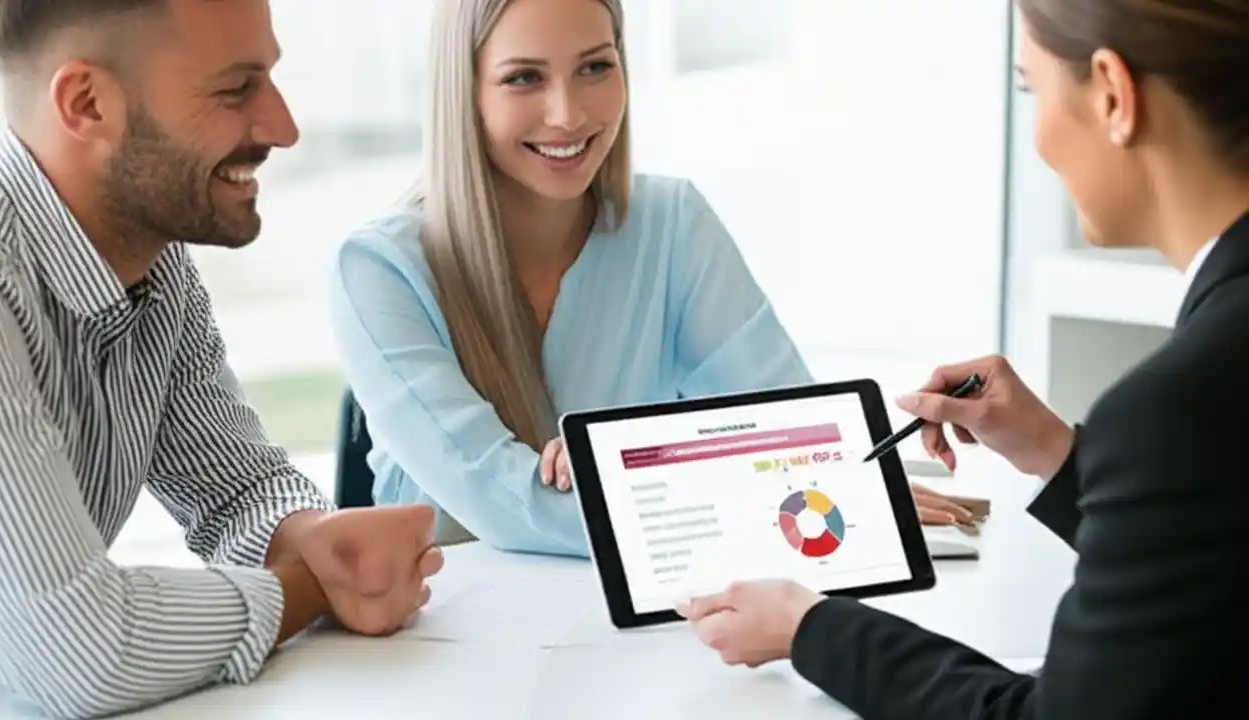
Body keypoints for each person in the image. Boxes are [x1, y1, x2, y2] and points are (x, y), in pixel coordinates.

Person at [677, 0, 1249, 717]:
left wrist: (811, 629)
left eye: (1029, 89)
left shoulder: (1179, 406)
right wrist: (1060, 455)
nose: (1036, 134)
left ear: (1111, 94)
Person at [328, 0, 976, 555]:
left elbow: (790, 434)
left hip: (641, 628)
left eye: (595, 67)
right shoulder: (377, 270)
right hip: (443, 648)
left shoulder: (671, 223)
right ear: (464, 91)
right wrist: (742, 502)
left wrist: (827, 483)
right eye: (524, 77)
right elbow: (500, 500)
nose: (568, 114)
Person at [0, 1, 443, 717]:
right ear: (86, 103)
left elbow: (237, 490)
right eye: (235, 90)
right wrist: (306, 588)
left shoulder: (152, 261)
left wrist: (313, 540)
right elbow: (73, 646)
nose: (284, 128)